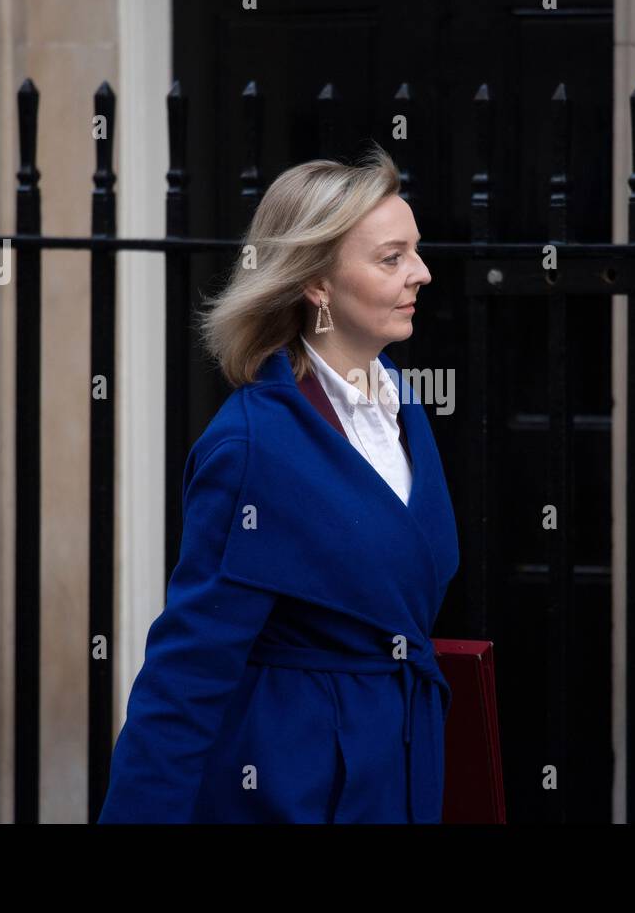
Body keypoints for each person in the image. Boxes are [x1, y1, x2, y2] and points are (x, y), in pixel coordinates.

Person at [98, 142, 459, 823]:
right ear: (316, 283)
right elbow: (187, 676)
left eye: (415, 250)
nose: (422, 273)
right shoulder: (250, 449)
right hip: (301, 792)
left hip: (402, 775)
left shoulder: (403, 408)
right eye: (391, 258)